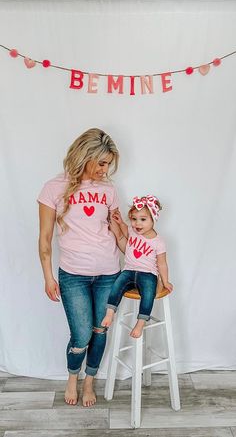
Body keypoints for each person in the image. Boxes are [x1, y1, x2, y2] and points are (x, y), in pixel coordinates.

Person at [38, 128, 121, 407]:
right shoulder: (53, 188)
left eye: (108, 163)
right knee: (82, 334)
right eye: (101, 162)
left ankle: (89, 381)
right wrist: (48, 277)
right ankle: (72, 376)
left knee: (100, 330)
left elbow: (117, 231)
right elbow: (45, 239)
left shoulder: (109, 189)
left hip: (109, 273)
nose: (104, 169)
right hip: (73, 275)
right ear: (84, 156)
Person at [101, 195, 173, 338]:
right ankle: (110, 313)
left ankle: (140, 322)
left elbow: (162, 264)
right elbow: (123, 228)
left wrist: (165, 281)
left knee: (148, 294)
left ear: (153, 219)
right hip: (129, 271)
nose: (137, 224)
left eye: (143, 219)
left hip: (147, 274)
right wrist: (120, 222)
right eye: (134, 219)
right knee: (116, 286)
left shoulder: (158, 242)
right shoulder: (133, 232)